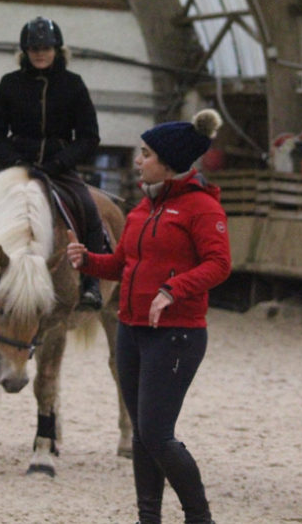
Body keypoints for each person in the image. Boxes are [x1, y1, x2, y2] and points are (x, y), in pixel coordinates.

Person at [67, 109, 230, 524]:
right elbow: (120, 265)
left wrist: (173, 290)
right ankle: (148, 518)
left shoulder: (201, 208)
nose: (138, 161)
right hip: (132, 331)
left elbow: (219, 264)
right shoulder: (142, 210)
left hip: (177, 335)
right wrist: (86, 260)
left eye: (145, 153)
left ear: (169, 160)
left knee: (157, 434)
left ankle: (200, 517)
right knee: (142, 434)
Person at [0, 16, 106, 310]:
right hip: (14, 166)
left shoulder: (73, 85)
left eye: (45, 47)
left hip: (59, 168)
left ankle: (91, 285)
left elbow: (89, 138)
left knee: (90, 211)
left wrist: (58, 163)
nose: (40, 52)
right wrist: (12, 161)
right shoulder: (9, 85)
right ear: (25, 51)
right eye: (33, 48)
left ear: (57, 49)